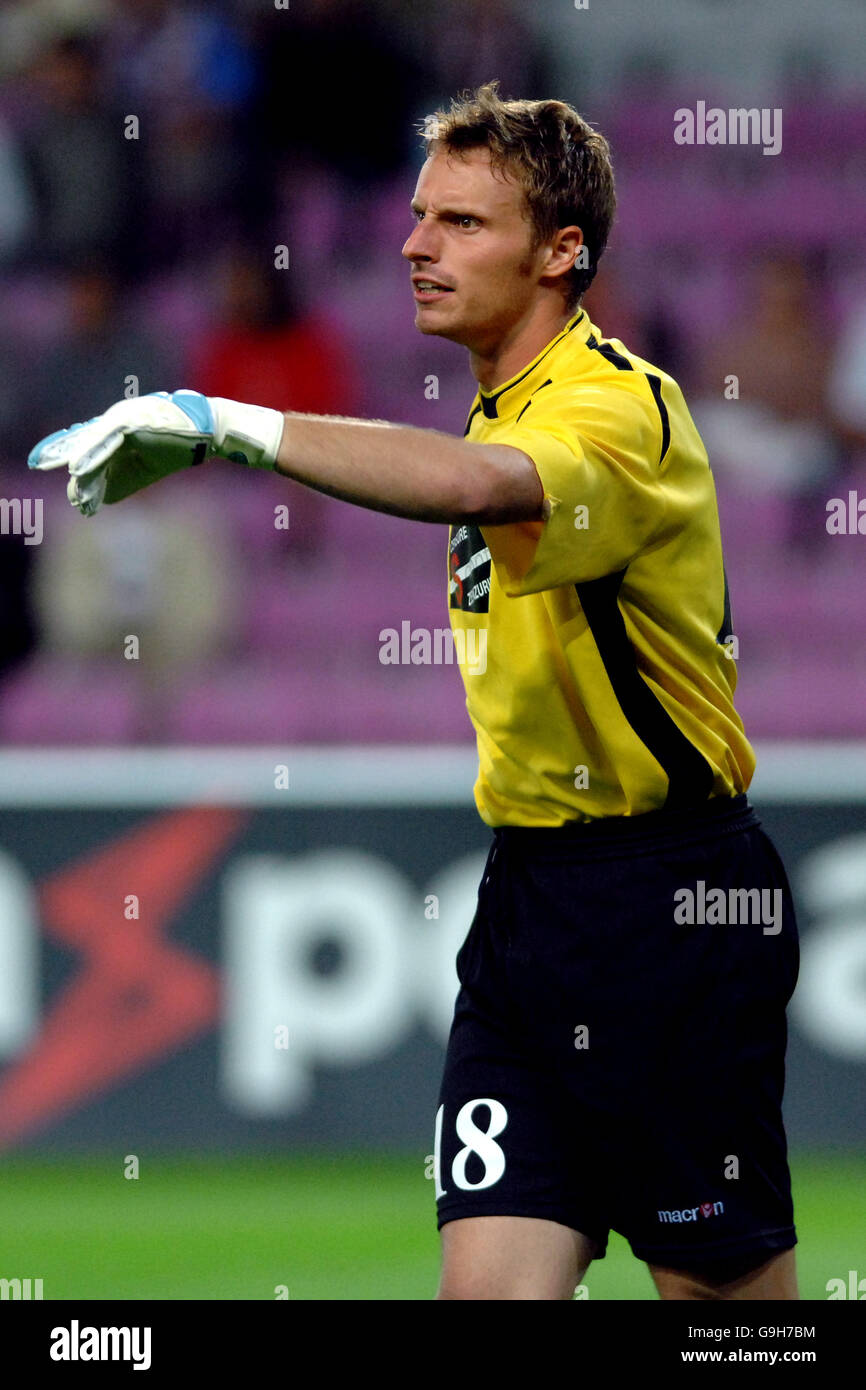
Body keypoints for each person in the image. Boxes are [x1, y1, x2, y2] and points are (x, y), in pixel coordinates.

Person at [29, 82, 800, 1302]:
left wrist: (236, 422)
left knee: (721, 1313)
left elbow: (481, 486)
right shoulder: (507, 399)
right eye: (415, 216)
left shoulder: (619, 406)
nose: (413, 245)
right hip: (529, 904)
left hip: (670, 902)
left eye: (459, 223)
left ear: (561, 253)